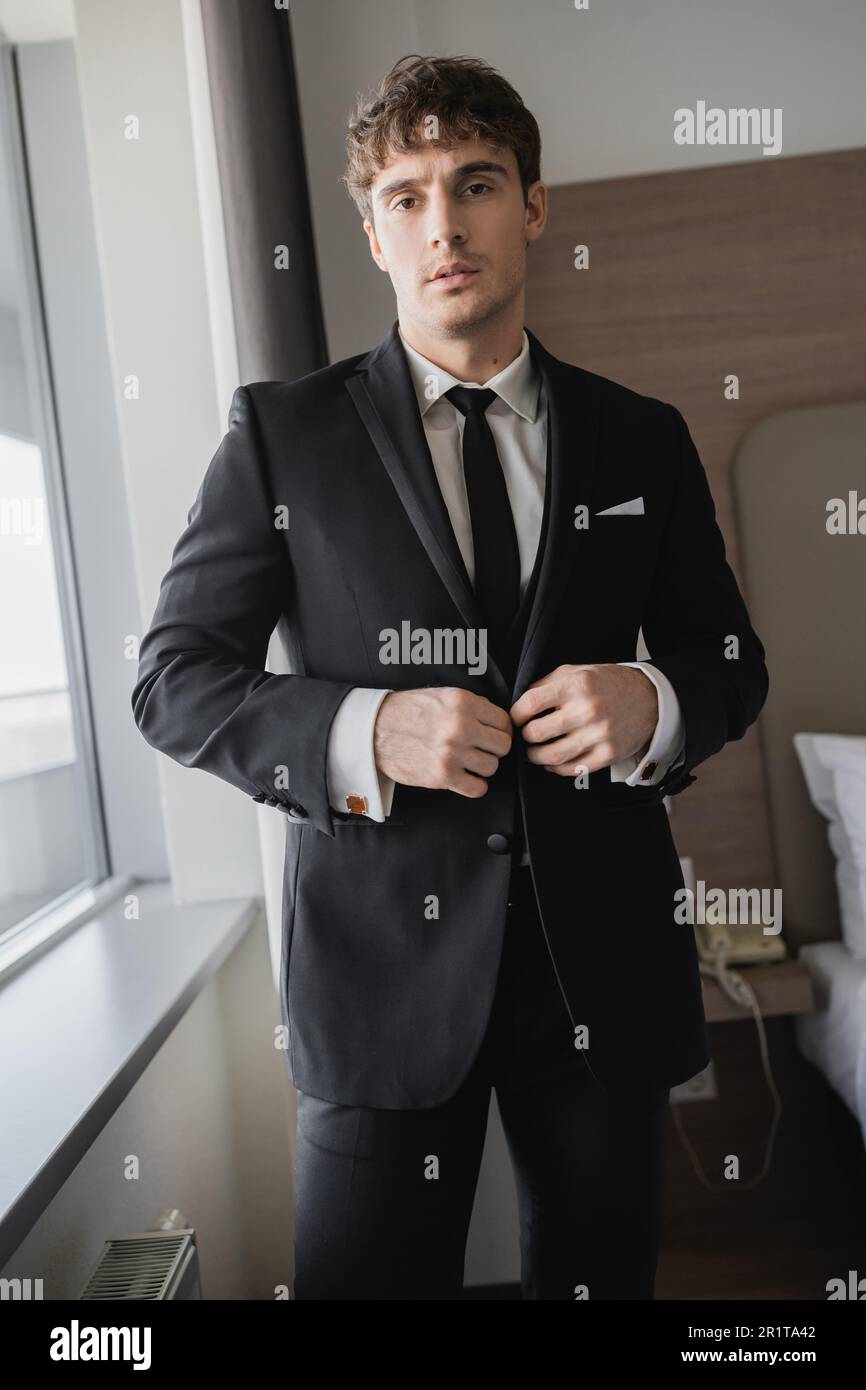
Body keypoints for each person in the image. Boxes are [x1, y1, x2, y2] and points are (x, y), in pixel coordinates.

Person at [131, 53, 769, 1300]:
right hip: (378, 982)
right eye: (408, 197)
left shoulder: (642, 436)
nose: (443, 225)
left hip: (604, 974)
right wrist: (362, 731)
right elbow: (172, 680)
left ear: (531, 206)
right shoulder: (279, 437)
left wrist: (657, 703)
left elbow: (729, 658)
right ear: (372, 232)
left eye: (474, 185)